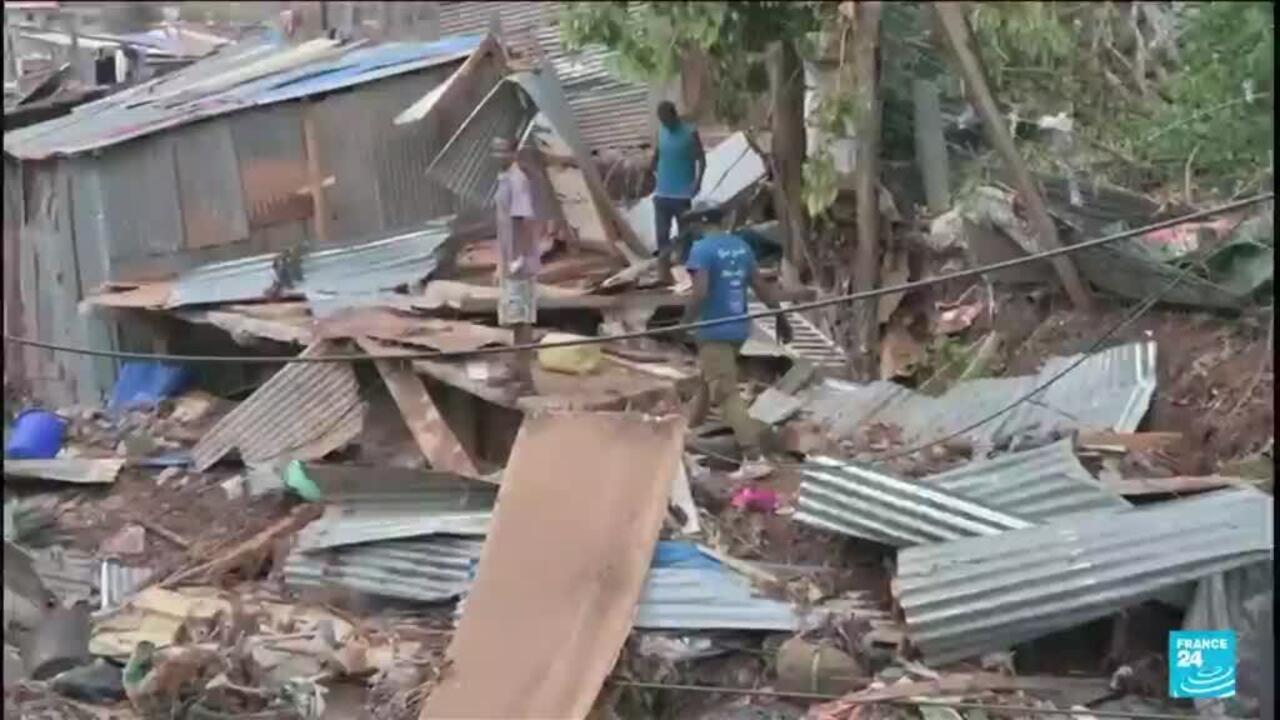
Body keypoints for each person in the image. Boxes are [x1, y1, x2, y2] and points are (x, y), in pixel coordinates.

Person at [681, 205, 793, 481]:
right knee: (711, 381)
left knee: (726, 392)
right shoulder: (741, 247)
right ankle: (683, 435)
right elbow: (760, 285)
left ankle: (753, 457)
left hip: (713, 329)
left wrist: (685, 320)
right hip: (737, 328)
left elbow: (701, 290)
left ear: (699, 225)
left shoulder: (702, 249)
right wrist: (780, 315)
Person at [492, 137, 538, 394]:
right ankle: (517, 372)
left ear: (513, 152)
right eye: (495, 150)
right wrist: (501, 261)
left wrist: (518, 258)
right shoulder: (504, 179)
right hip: (509, 259)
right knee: (514, 317)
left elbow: (523, 220)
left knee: (521, 319)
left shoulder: (518, 180)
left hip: (520, 262)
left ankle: (526, 380)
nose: (498, 154)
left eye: (503, 150)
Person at [650, 101, 706, 285]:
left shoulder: (690, 132)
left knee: (685, 236)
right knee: (661, 235)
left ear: (674, 115)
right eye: (662, 121)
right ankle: (664, 276)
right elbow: (657, 156)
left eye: (667, 120)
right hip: (661, 194)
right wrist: (649, 170)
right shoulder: (661, 132)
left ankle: (685, 274)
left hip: (682, 195)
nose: (665, 124)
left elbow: (702, 160)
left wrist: (697, 182)